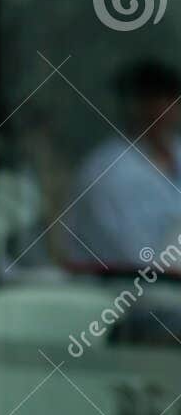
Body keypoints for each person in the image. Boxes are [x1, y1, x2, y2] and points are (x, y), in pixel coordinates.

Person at [64, 60, 181, 272]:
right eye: (150, 100)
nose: (162, 109)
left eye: (170, 99)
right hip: (128, 293)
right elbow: (136, 259)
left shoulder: (176, 152)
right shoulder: (106, 173)